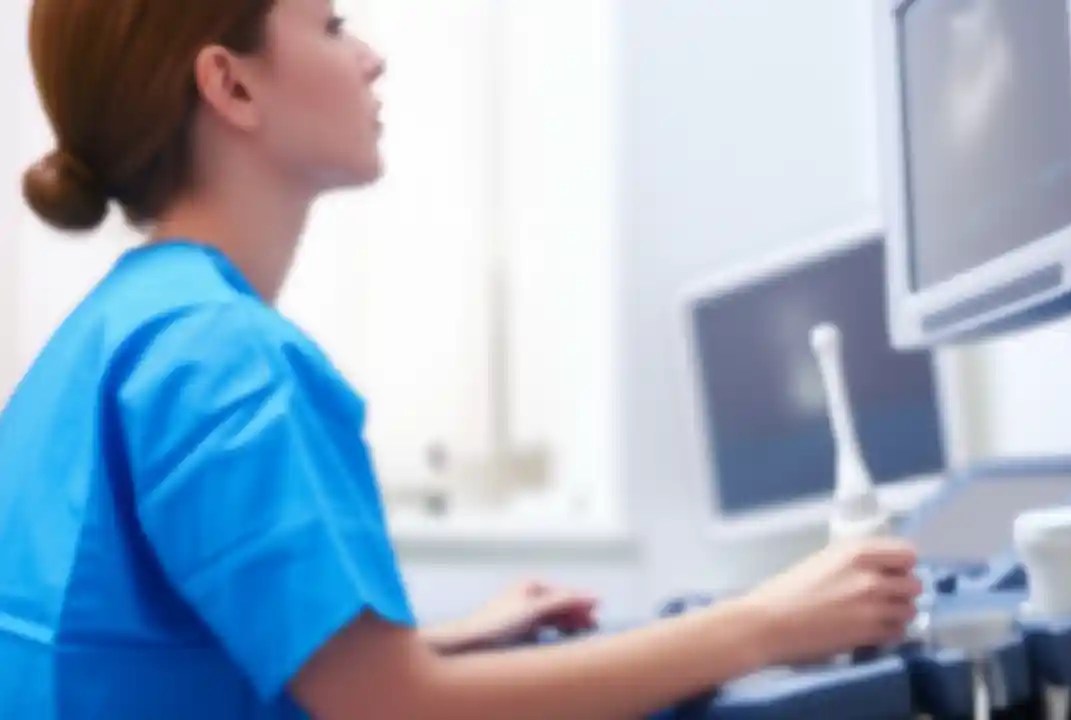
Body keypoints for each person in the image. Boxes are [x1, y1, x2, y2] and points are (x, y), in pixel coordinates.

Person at [0, 1, 923, 717]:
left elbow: (175, 667)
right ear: (231, 87)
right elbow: (396, 712)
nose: (370, 57)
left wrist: (437, 643)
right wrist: (767, 623)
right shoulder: (222, 357)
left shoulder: (113, 334)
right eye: (332, 27)